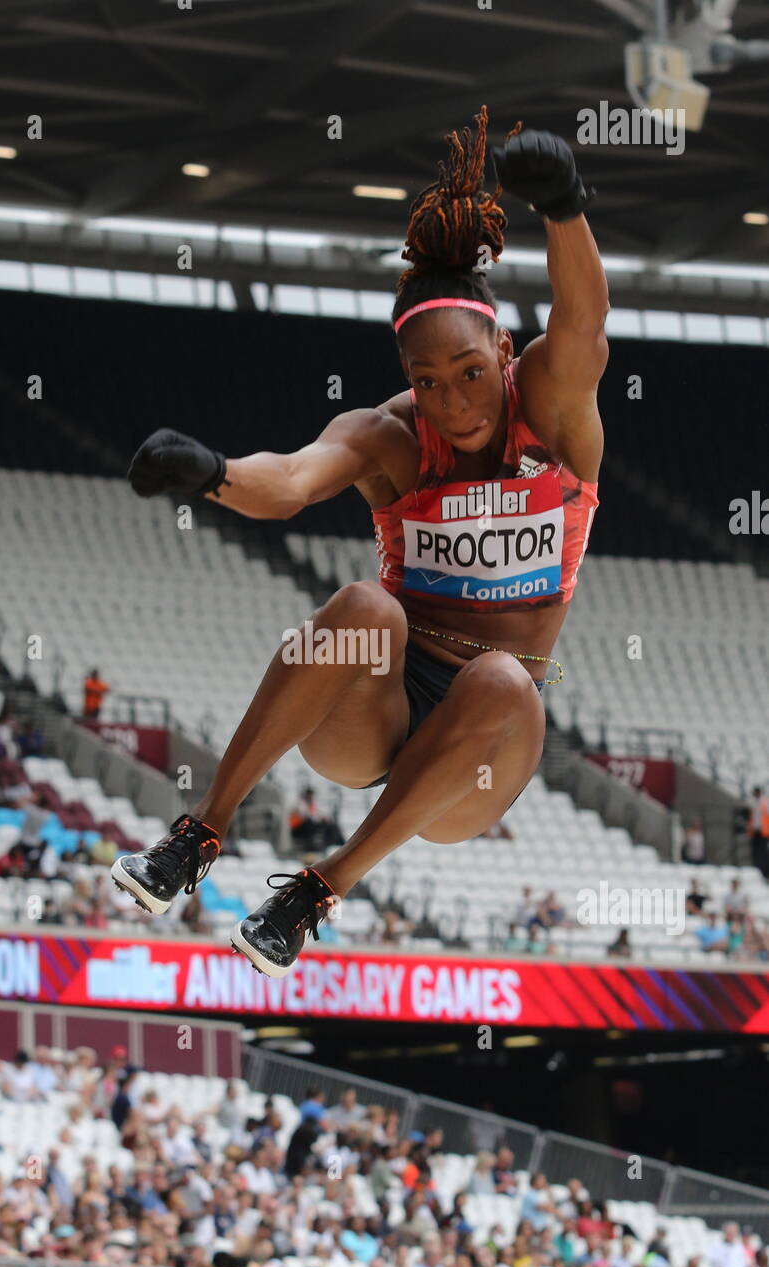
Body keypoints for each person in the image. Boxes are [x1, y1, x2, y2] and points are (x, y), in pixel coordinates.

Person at [112, 108, 607, 980]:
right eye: (428, 383)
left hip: (486, 743)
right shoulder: (390, 436)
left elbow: (583, 325)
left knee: (496, 676)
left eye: (471, 375)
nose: (455, 405)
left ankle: (315, 890)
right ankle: (197, 835)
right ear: (405, 381)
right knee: (363, 605)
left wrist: (564, 208)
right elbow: (297, 478)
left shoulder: (553, 411)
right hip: (376, 715)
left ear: (501, 349)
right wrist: (214, 473)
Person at [748, 787, 769, 878]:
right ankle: (758, 869)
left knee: (763, 851)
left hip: (764, 831)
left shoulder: (765, 802)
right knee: (756, 852)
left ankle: (765, 871)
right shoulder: (753, 803)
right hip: (755, 831)